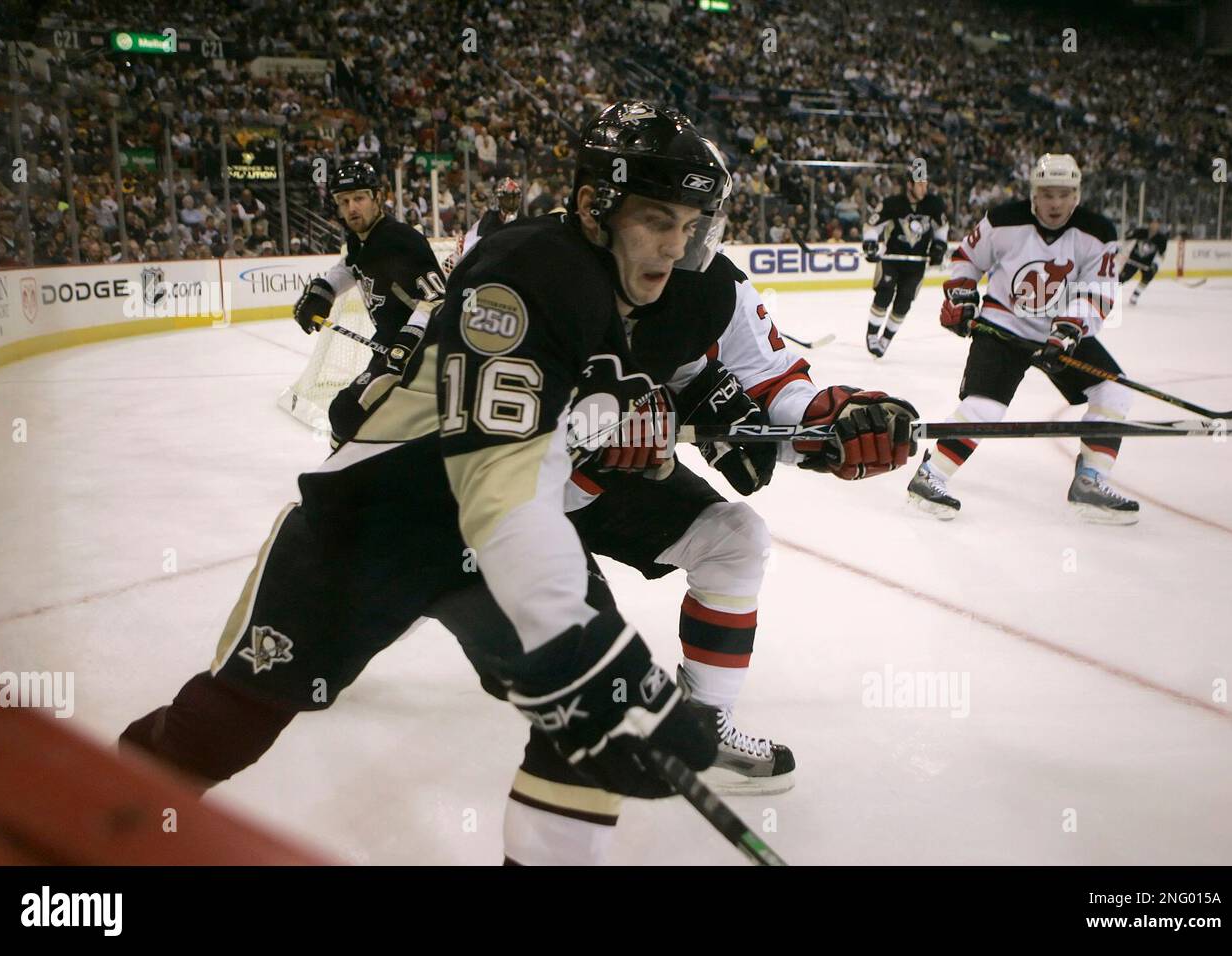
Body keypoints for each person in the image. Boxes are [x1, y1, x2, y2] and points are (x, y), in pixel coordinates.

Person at [119, 103, 915, 865]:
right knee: (226, 726)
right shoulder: (523, 273)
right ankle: (89, 825)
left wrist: (840, 420)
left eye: (689, 225)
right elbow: (495, 479)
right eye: (653, 220)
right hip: (389, 515)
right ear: (593, 207)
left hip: (530, 520)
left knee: (586, 735)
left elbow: (773, 380)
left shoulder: (705, 286)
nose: (674, 247)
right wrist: (579, 638)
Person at [906, 153, 1140, 524]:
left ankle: (1091, 480)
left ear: (1076, 194)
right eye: (1047, 193)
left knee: (1114, 391)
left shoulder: (1098, 232)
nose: (1055, 203)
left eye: (1064, 194)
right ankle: (930, 475)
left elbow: (1099, 290)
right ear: (1034, 193)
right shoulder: (1003, 220)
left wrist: (1068, 329)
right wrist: (962, 294)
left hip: (1059, 333)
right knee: (985, 407)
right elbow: (967, 257)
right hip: (1003, 327)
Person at [290, 161, 444, 445]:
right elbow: (351, 265)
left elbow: (437, 299)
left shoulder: (399, 239)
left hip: (423, 350)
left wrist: (406, 343)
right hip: (391, 346)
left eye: (359, 198)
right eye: (344, 201)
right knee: (351, 415)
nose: (351, 208)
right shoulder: (363, 240)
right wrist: (323, 291)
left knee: (345, 412)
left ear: (377, 197)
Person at [861, 165, 949, 357]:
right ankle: (872, 335)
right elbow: (872, 226)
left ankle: (885, 340)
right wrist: (869, 243)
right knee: (884, 294)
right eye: (920, 184)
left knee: (904, 302)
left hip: (916, 264)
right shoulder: (892, 203)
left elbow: (942, 228)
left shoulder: (934, 204)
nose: (924, 189)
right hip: (891, 260)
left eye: (925, 184)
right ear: (909, 184)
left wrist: (939, 246)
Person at [443, 177, 522, 274]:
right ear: (499, 200)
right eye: (508, 199)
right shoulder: (488, 220)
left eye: (515, 198)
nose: (512, 203)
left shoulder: (522, 219)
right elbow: (467, 248)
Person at [1121, 218, 1169, 305]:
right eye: (1152, 223)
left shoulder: (1162, 238)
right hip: (1133, 260)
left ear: (1159, 225)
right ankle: (1109, 291)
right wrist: (1129, 233)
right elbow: (1127, 239)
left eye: (1156, 223)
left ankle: (1135, 296)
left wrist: (1156, 264)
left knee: (1147, 278)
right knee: (1123, 277)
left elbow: (1161, 254)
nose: (1154, 225)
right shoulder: (1141, 232)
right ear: (1149, 224)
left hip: (1147, 264)